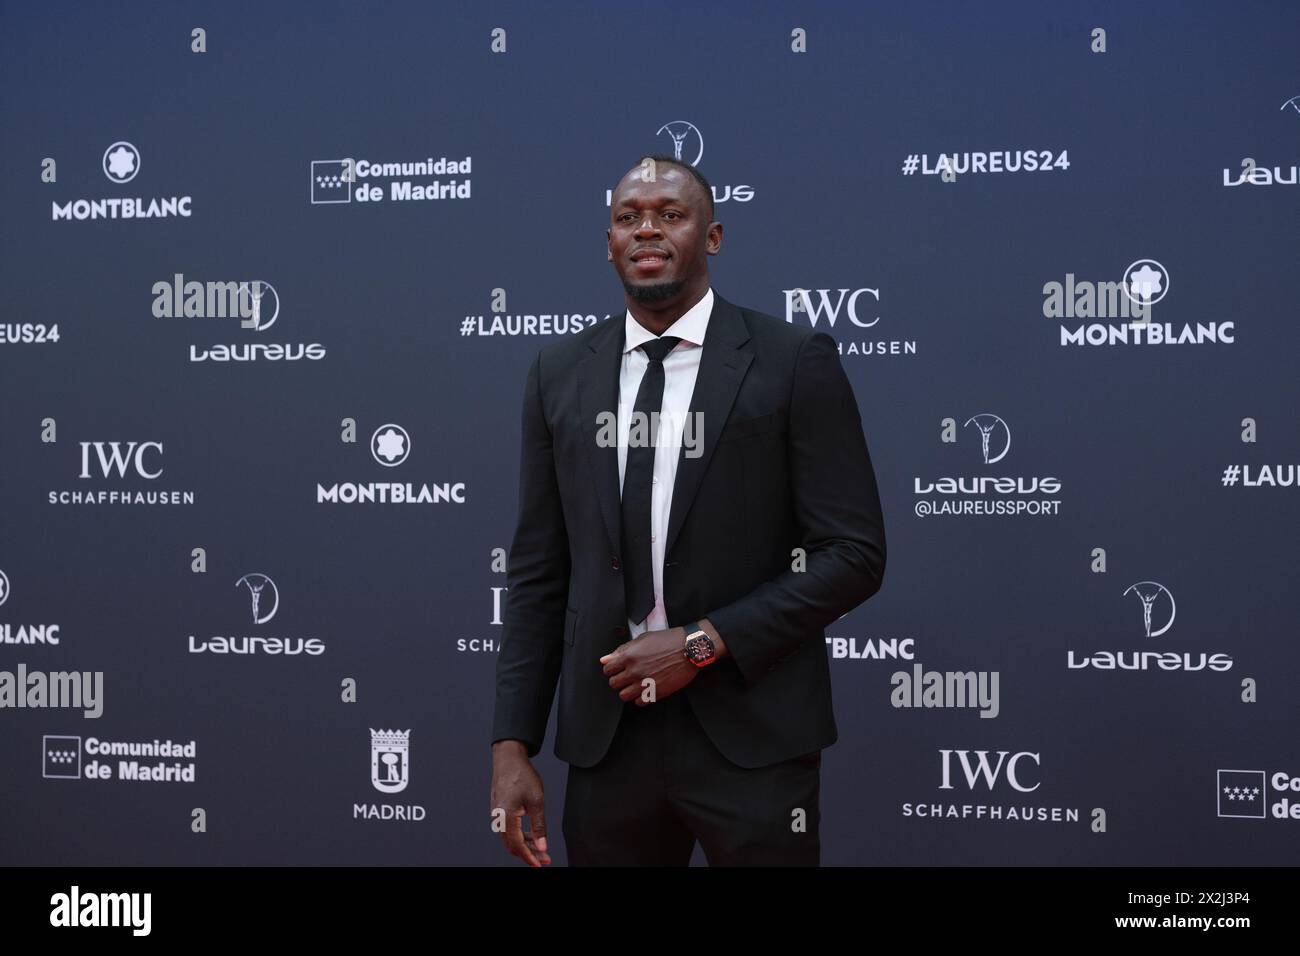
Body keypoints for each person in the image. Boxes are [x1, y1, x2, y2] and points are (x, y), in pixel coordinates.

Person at [490, 154, 886, 866]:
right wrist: (511, 745)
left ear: (713, 236)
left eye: (670, 215)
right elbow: (538, 574)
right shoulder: (559, 372)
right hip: (608, 744)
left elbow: (854, 555)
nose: (647, 230)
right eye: (628, 217)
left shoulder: (792, 359)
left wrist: (702, 643)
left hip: (753, 737)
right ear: (608, 241)